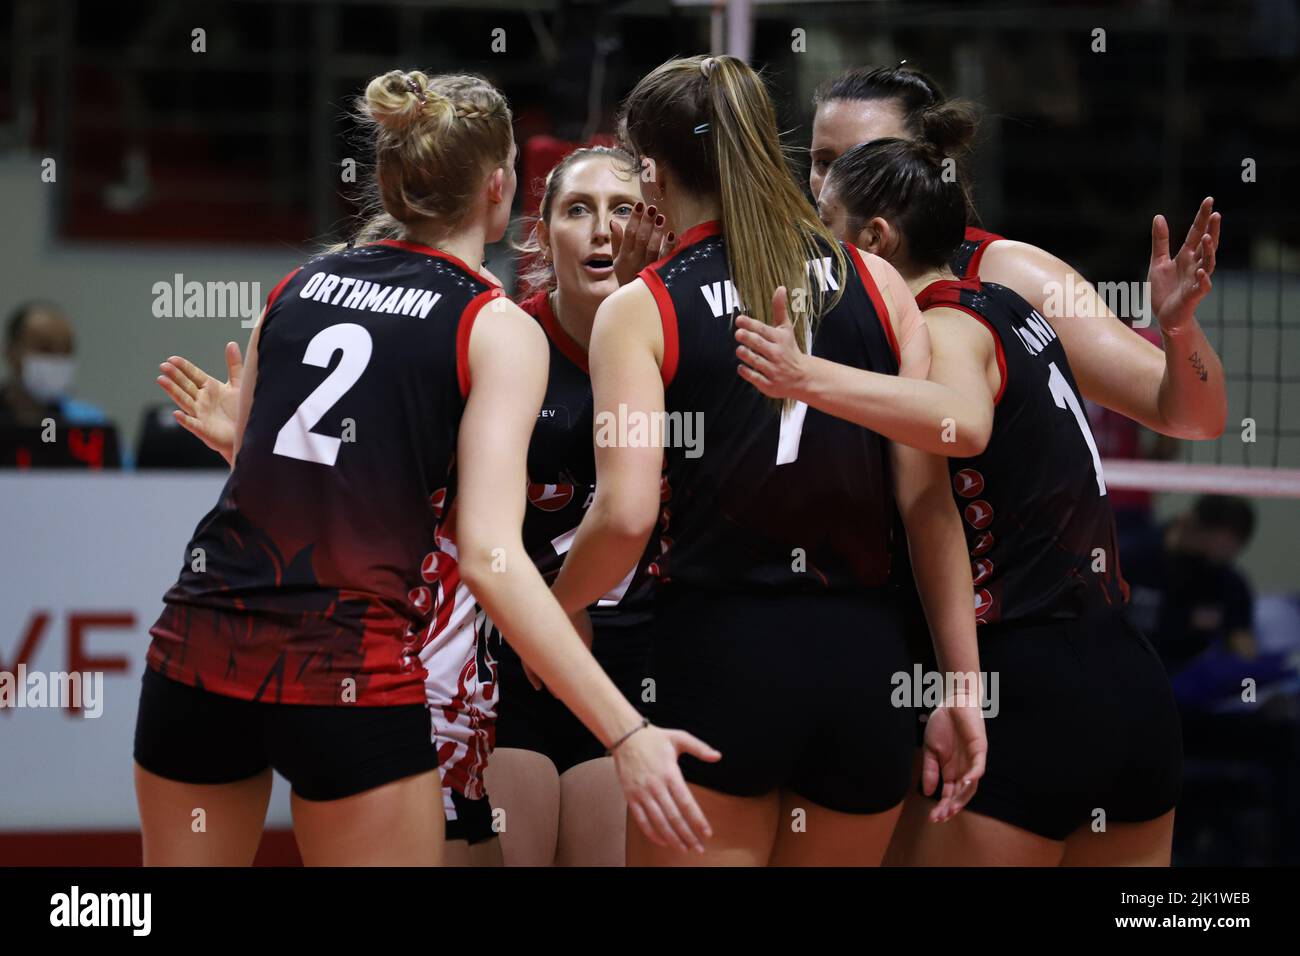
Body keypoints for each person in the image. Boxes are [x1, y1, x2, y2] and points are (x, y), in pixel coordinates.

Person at [133, 68, 713, 867]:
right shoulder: (494, 322)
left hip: (198, 647)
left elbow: (293, 489)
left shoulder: (299, 286)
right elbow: (489, 555)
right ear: (502, 187)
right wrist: (626, 728)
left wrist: (247, 448)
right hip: (346, 666)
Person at [550, 54, 987, 867]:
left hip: (720, 655)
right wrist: (961, 684)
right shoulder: (880, 280)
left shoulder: (642, 308)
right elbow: (929, 507)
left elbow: (626, 516)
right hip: (866, 662)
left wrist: (548, 610)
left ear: (651, 171)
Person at [745, 126, 1215, 864]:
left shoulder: (941, 329)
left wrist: (803, 377)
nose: (817, 254)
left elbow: (958, 433)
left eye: (825, 231)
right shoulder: (1010, 305)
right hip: (1129, 676)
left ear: (875, 237)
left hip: (1027, 684)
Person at [807, 64, 1227, 444]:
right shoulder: (799, 277)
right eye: (824, 162)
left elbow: (1193, 420)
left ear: (927, 162)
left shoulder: (1012, 274)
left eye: (868, 160)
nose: (835, 186)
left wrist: (1178, 328)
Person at [1, 301, 109, 427]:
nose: (57, 360)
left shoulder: (91, 423)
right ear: (10, 351)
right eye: (45, 349)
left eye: (67, 350)